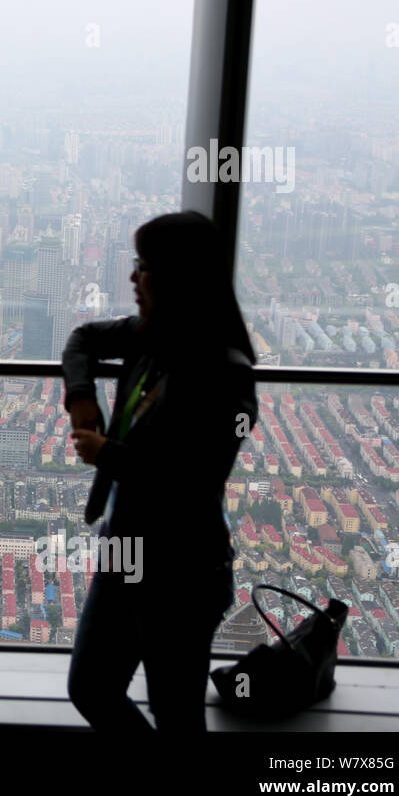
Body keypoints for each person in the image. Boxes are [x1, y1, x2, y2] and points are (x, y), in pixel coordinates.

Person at [64, 211, 257, 731]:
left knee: (174, 713)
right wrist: (82, 399)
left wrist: (107, 453)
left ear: (181, 277)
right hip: (126, 548)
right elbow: (81, 339)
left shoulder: (226, 376)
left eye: (144, 266)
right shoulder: (150, 336)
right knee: (89, 687)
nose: (132, 276)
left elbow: (191, 481)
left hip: (183, 570)